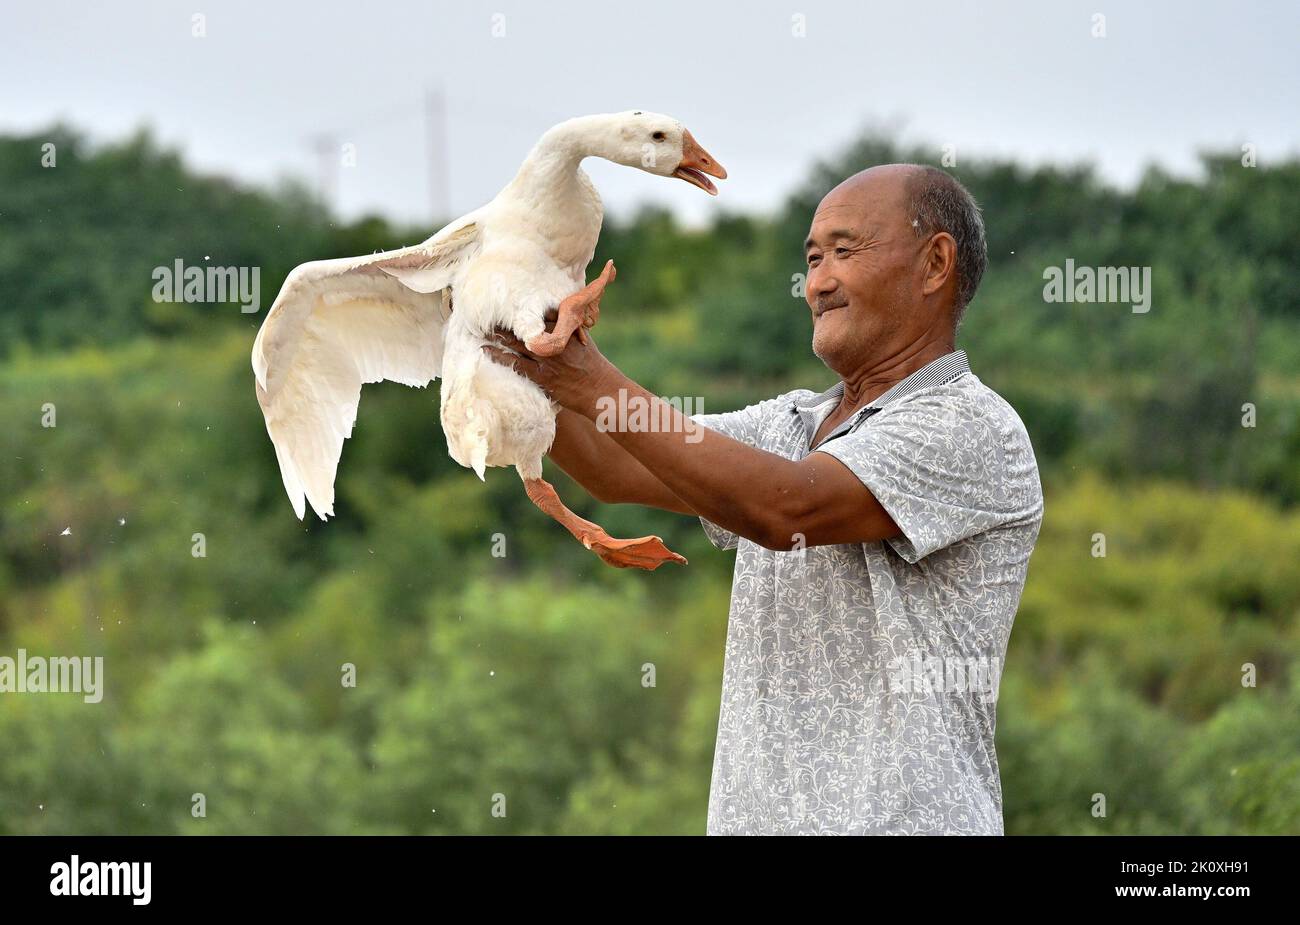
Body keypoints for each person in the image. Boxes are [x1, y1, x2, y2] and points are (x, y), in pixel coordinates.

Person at [483, 164, 1044, 835]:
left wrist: (586, 375)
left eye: (844, 250)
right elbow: (612, 463)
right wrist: (509, 341)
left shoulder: (969, 425)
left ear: (934, 263)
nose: (818, 282)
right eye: (811, 258)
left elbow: (788, 509)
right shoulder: (792, 425)